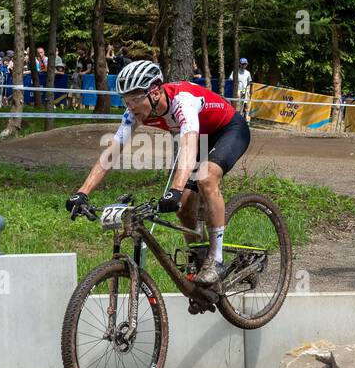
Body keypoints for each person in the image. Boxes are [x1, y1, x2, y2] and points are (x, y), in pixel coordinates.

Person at [66, 60, 249, 288]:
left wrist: (175, 188)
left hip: (229, 129)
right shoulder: (135, 112)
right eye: (126, 99)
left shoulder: (183, 101)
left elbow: (189, 146)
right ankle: (199, 254)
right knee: (183, 206)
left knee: (206, 178)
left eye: (135, 99)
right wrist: (82, 192)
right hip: (202, 137)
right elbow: (111, 153)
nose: (130, 106)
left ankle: (217, 260)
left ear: (154, 91)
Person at [235, 58, 253, 122]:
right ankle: (237, 119)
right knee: (238, 106)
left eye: (245, 64)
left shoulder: (248, 73)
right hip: (238, 91)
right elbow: (231, 80)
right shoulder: (235, 72)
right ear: (240, 64)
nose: (244, 65)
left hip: (246, 91)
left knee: (247, 106)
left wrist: (248, 91)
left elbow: (249, 83)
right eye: (242, 64)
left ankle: (246, 120)